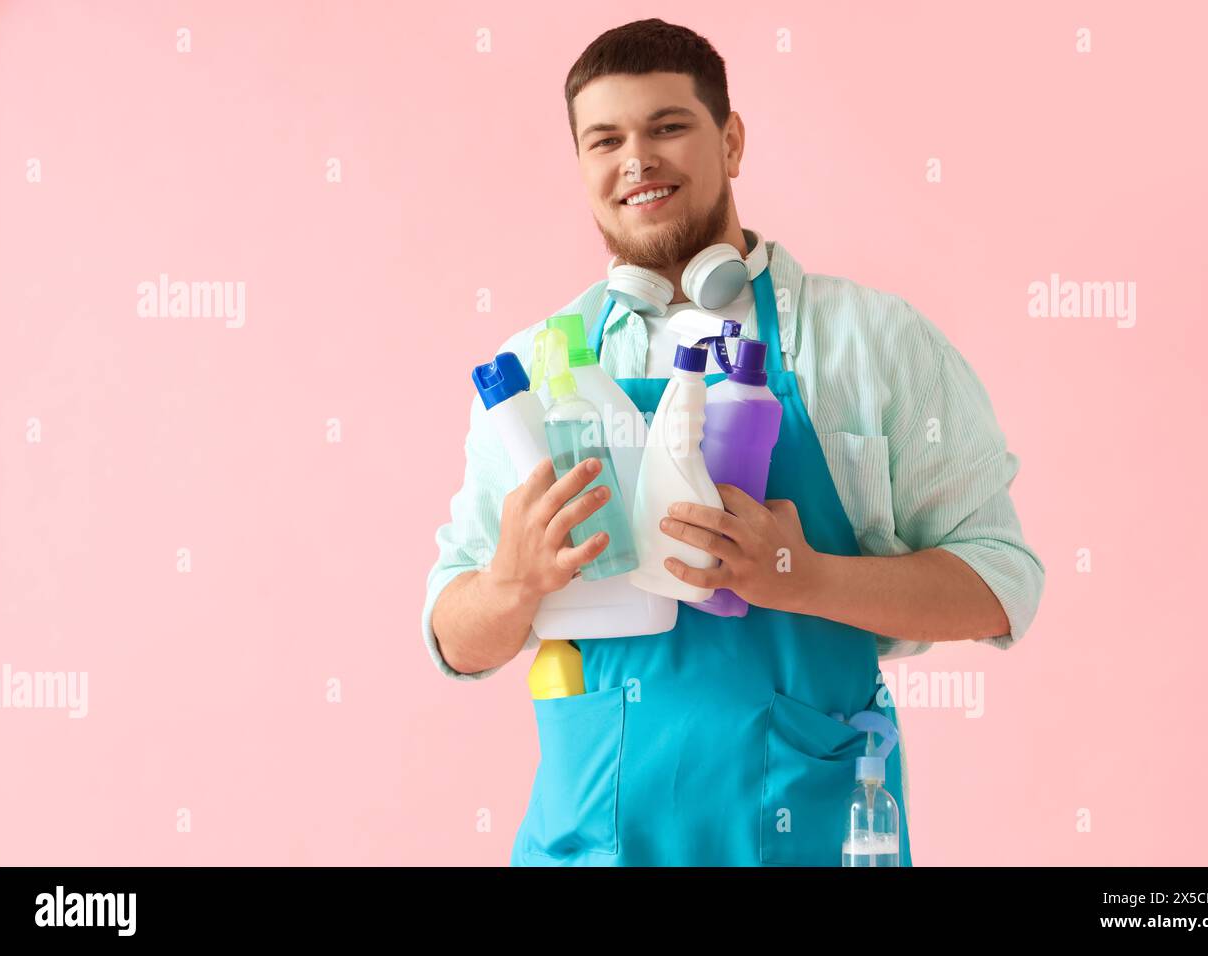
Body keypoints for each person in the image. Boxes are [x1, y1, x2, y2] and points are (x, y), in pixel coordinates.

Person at [423, 18, 1045, 866]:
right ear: (582, 169)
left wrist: (804, 574)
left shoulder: (873, 340)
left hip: (812, 827)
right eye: (605, 139)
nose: (636, 159)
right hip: (593, 839)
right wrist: (510, 581)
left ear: (732, 139)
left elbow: (1001, 585)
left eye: (667, 127)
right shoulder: (536, 368)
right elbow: (454, 638)